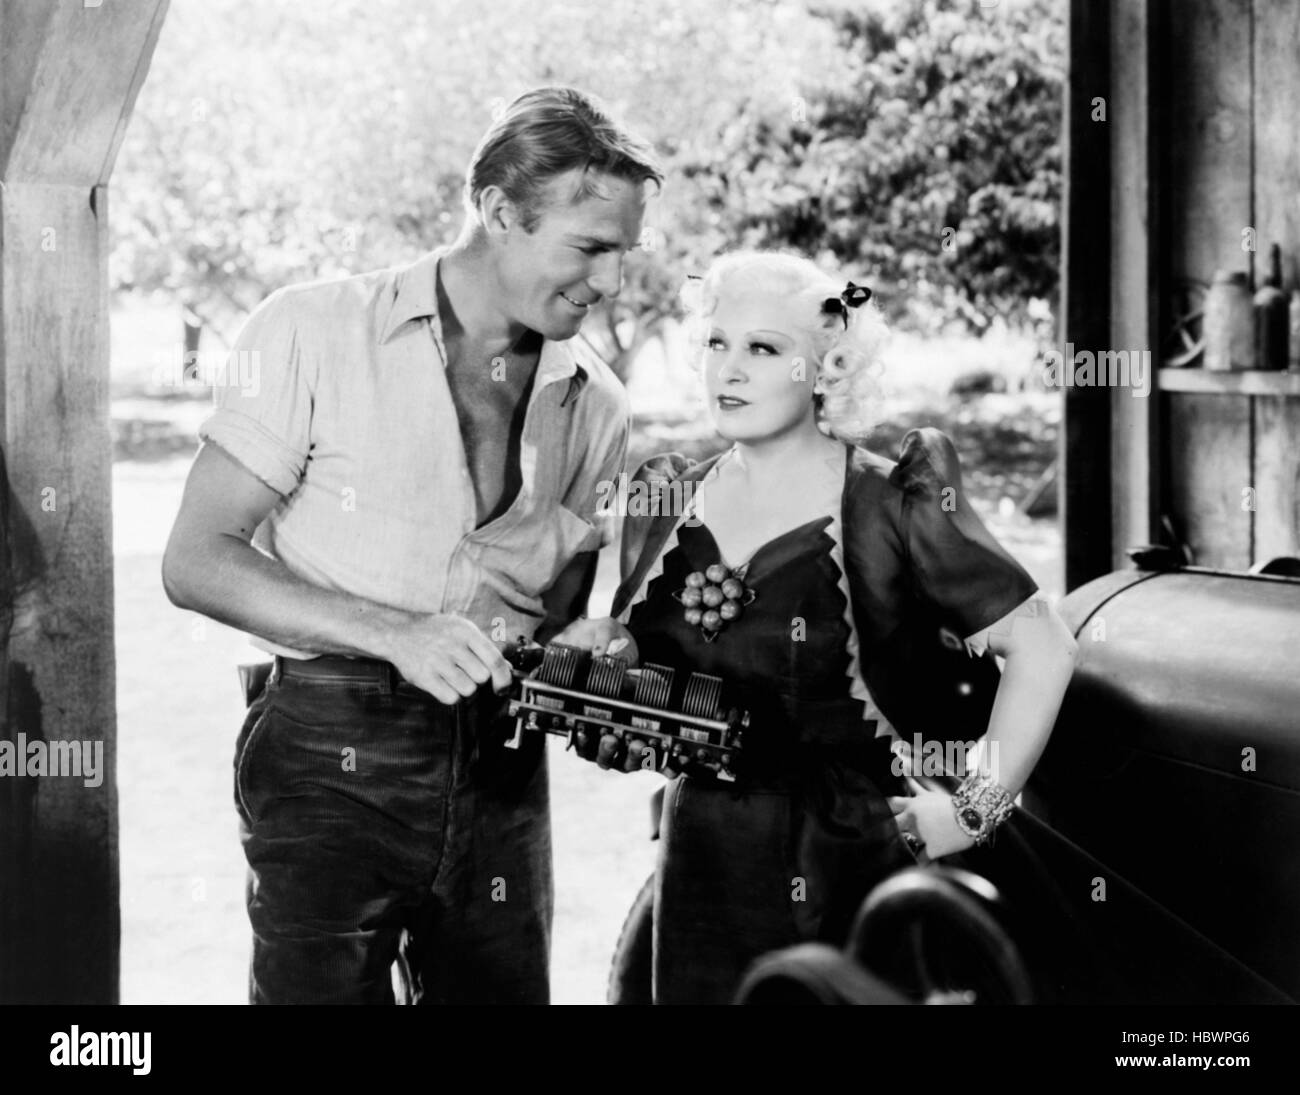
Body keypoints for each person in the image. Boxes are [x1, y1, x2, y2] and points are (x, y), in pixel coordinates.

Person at [161, 87, 662, 1004]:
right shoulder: (310, 328)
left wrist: (595, 669)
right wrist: (396, 632)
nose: (612, 282)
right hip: (327, 750)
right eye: (591, 247)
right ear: (501, 212)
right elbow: (197, 558)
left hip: (503, 767)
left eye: (624, 253)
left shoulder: (598, 405)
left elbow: (557, 627)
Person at [554, 251, 1078, 1004]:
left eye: (764, 349)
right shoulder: (669, 500)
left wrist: (969, 810)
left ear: (827, 368)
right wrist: (614, 660)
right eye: (717, 343)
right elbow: (659, 666)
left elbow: (1045, 647)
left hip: (856, 865)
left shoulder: (893, 506)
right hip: (703, 865)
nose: (727, 370)